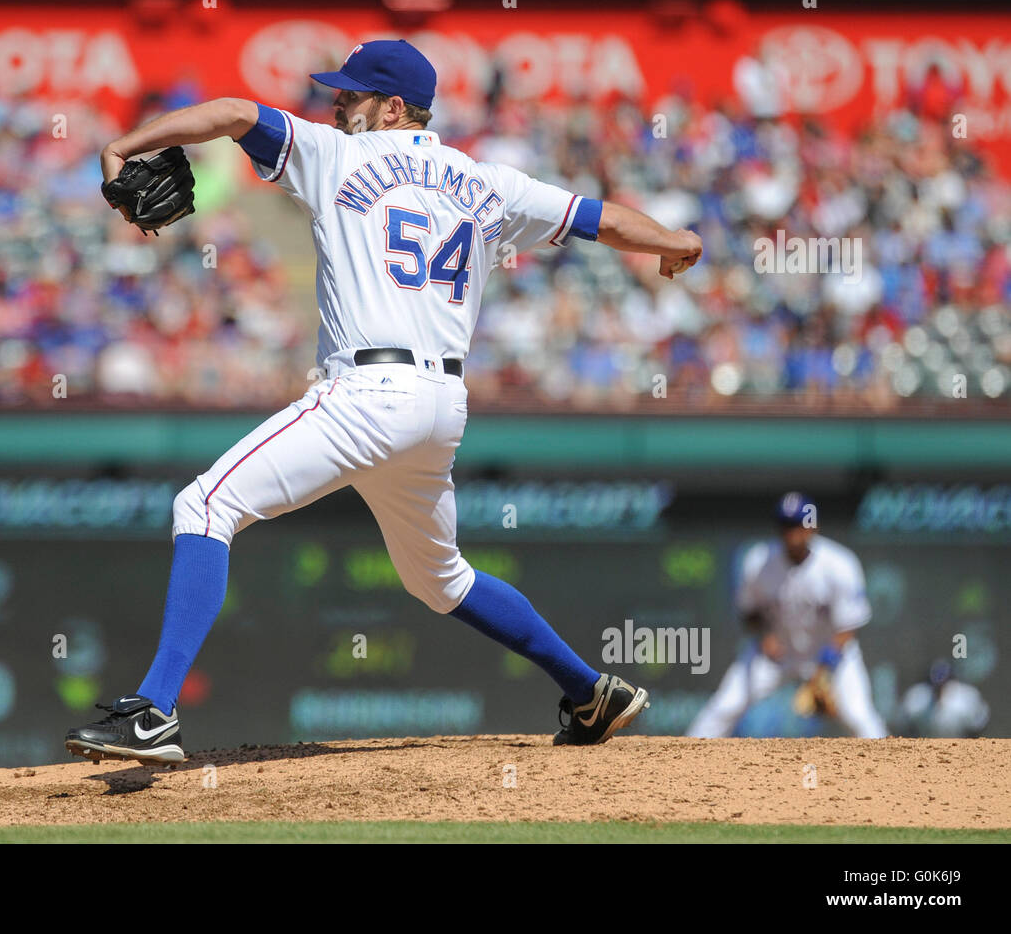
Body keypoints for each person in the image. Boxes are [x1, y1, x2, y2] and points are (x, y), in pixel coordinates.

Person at [65, 39, 703, 763]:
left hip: (369, 393)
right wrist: (674, 240)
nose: (336, 106)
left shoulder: (337, 156)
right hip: (442, 405)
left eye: (349, 96)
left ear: (392, 107)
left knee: (204, 506)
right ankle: (590, 692)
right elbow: (602, 219)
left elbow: (236, 112)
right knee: (441, 579)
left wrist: (124, 142)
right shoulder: (489, 181)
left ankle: (153, 711)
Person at [687, 492, 887, 738]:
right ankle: (681, 766)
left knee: (859, 715)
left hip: (831, 654)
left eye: (798, 524)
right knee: (725, 706)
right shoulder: (759, 562)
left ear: (813, 527)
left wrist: (823, 671)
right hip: (777, 655)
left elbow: (847, 628)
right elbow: (749, 612)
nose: (792, 532)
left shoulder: (839, 564)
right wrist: (764, 636)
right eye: (786, 524)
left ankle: (892, 772)